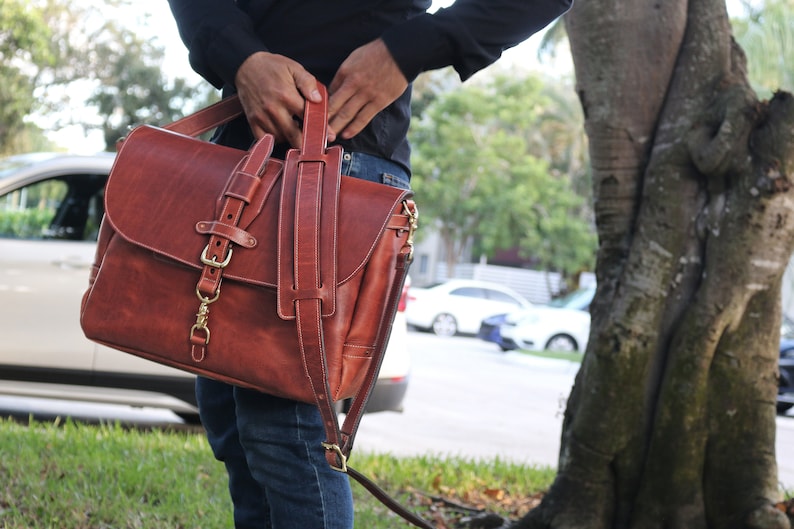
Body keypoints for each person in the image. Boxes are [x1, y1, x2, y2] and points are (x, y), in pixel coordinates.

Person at [166, 1, 572, 528]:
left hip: (342, 164)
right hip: (245, 155)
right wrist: (241, 58)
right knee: (232, 428)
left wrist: (408, 49)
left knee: (283, 433)